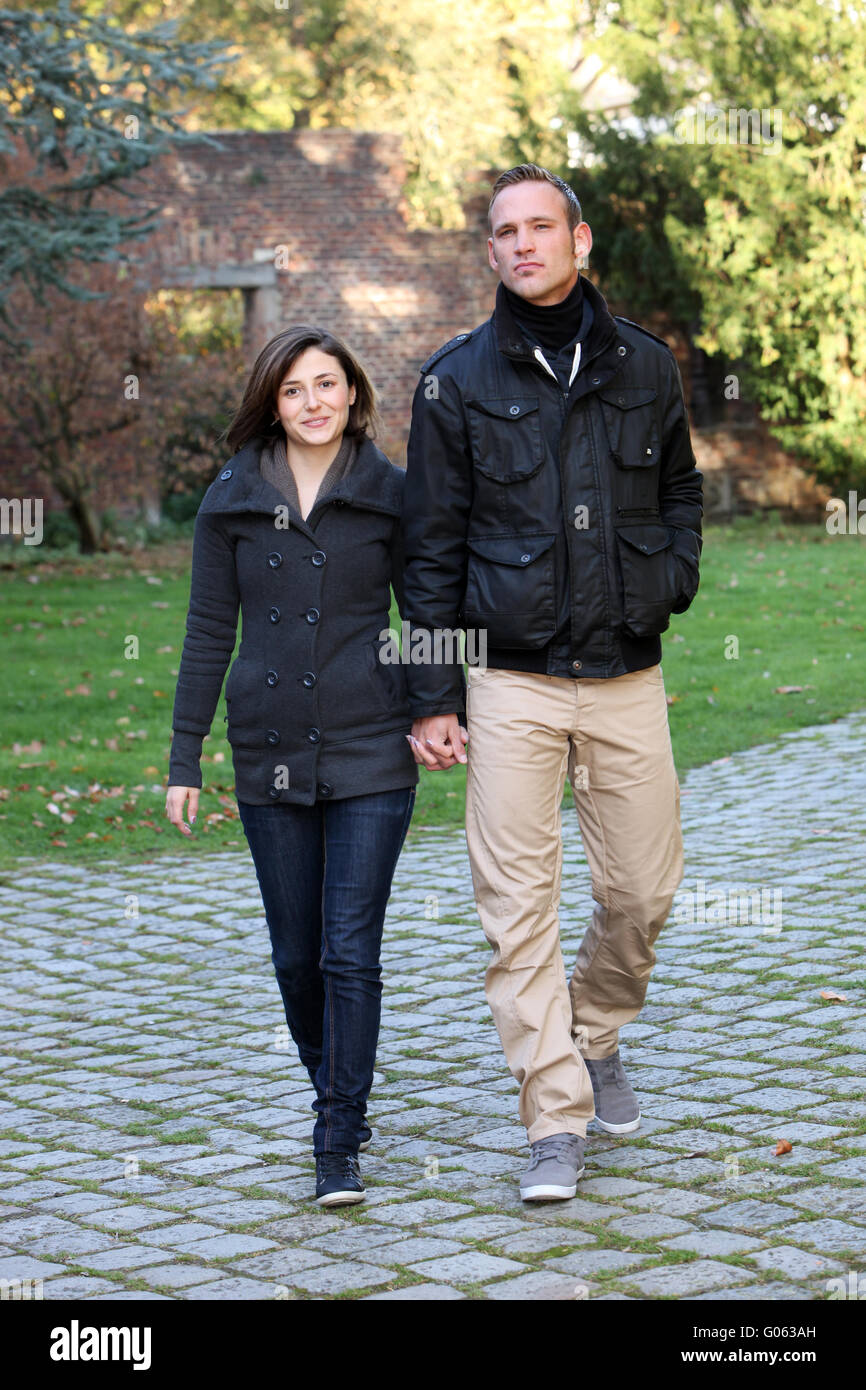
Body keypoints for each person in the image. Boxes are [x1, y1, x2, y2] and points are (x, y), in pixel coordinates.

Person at [401, 163, 703, 1201]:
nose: (521, 243)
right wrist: (431, 695)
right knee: (514, 908)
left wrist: (671, 577)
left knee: (641, 892)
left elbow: (677, 487)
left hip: (625, 672)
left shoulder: (646, 368)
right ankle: (551, 1115)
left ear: (579, 241)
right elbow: (428, 548)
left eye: (540, 226)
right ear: (488, 252)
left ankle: (592, 1029)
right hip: (508, 680)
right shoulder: (452, 381)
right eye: (503, 231)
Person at [166, 326, 428, 1207]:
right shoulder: (231, 498)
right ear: (270, 403)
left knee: (350, 953)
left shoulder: (391, 493)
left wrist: (440, 706)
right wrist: (184, 756)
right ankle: (336, 1085)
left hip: (370, 746)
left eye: (328, 384)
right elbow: (209, 631)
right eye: (292, 389)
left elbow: (426, 607)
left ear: (353, 393)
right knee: (296, 959)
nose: (313, 402)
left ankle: (338, 1134)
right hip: (270, 748)